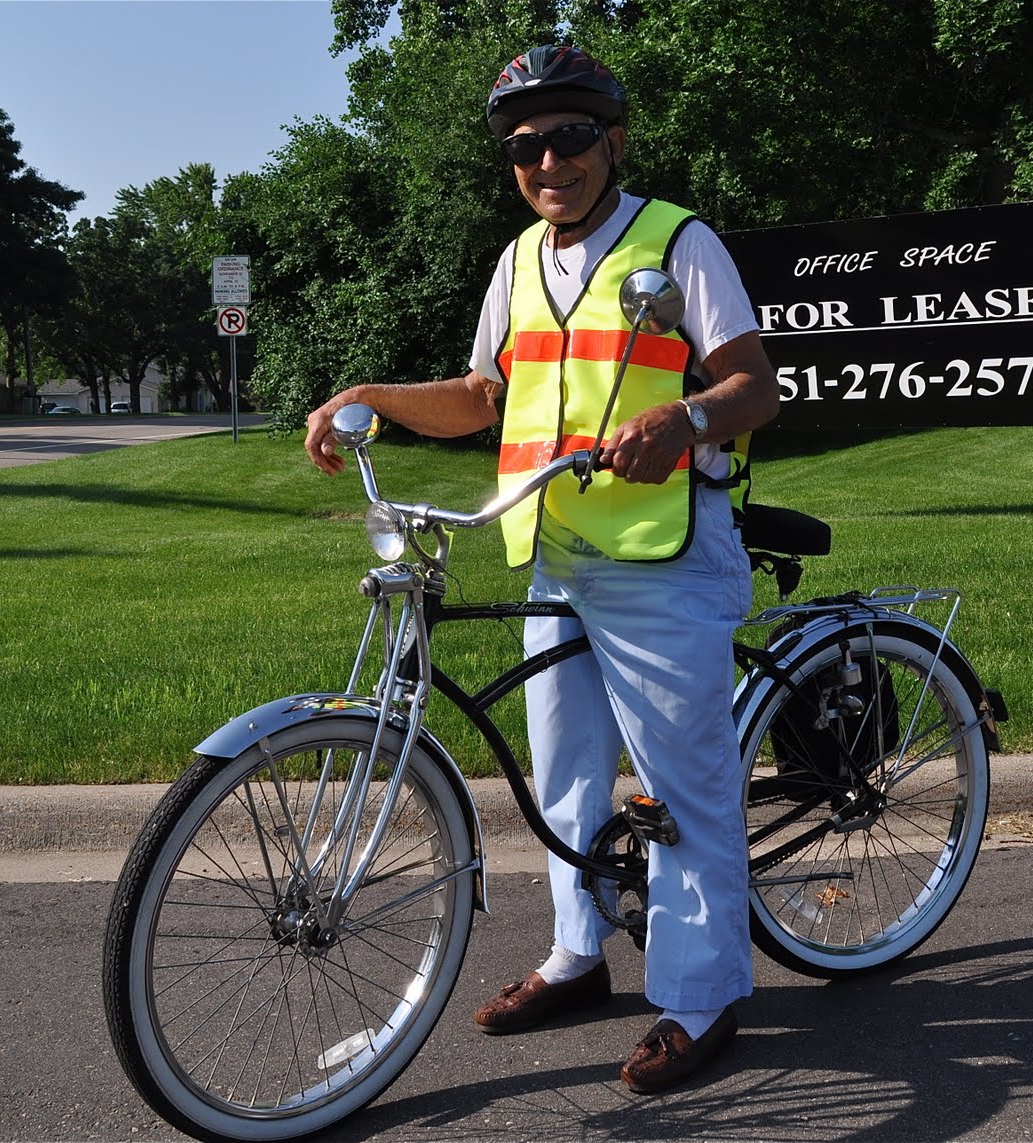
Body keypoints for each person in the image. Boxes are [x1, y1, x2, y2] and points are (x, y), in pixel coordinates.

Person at [304, 43, 780, 1094]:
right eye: (523, 145)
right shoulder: (518, 261)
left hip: (662, 553)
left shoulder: (677, 240)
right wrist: (367, 394)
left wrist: (686, 415)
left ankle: (701, 996)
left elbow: (755, 386)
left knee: (681, 784)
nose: (546, 159)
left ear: (610, 141)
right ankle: (577, 955)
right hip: (552, 552)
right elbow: (482, 396)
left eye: (567, 136)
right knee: (564, 775)